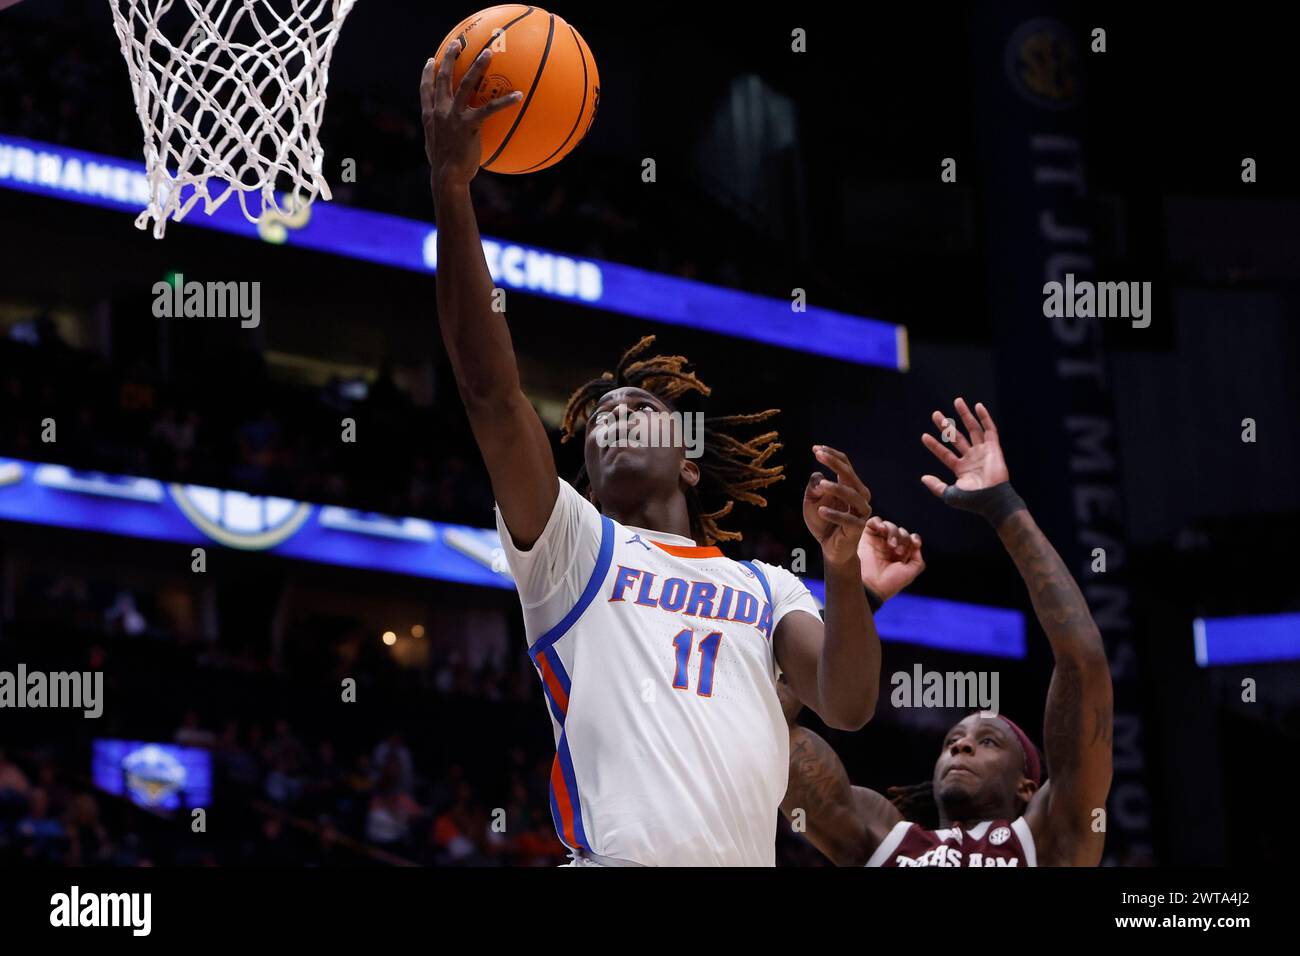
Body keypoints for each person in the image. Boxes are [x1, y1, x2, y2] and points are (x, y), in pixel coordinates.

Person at [419, 41, 882, 866]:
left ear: (690, 460)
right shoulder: (569, 547)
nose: (615, 417)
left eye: (639, 406)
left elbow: (846, 704)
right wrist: (453, 190)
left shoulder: (766, 586)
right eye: (597, 418)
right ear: (586, 467)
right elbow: (491, 395)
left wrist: (841, 568)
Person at [780, 399, 1113, 866]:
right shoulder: (879, 835)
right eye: (953, 740)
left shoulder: (1053, 836)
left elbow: (1083, 662)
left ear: (1027, 786)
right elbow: (766, 717)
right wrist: (862, 596)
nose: (960, 744)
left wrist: (1002, 506)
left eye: (988, 742)